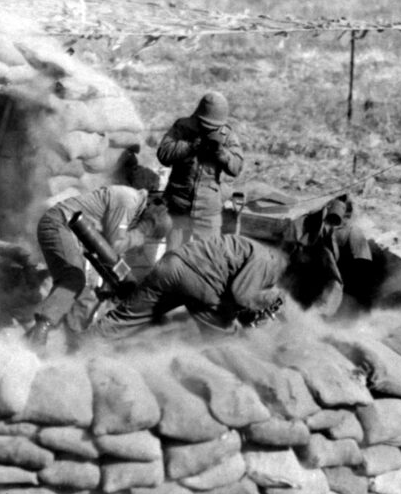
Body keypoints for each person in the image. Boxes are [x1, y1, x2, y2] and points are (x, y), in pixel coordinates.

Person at [26, 185, 172, 343]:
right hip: (60, 224)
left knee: (84, 288)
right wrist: (139, 234)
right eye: (149, 231)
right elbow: (114, 244)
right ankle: (39, 335)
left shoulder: (133, 211)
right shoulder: (128, 200)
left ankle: (45, 339)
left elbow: (109, 256)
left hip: (73, 235)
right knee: (73, 278)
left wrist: (117, 286)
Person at [90, 233, 294, 339]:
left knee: (122, 321)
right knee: (223, 339)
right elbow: (242, 295)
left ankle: (74, 352)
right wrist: (275, 297)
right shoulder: (269, 261)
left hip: (170, 265)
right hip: (199, 281)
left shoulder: (249, 247)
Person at [158, 90, 244, 249]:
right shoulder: (182, 127)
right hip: (179, 206)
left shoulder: (227, 134)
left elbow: (236, 167)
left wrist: (221, 153)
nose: (209, 130)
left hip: (208, 209)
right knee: (173, 258)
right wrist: (191, 146)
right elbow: (164, 154)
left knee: (207, 259)